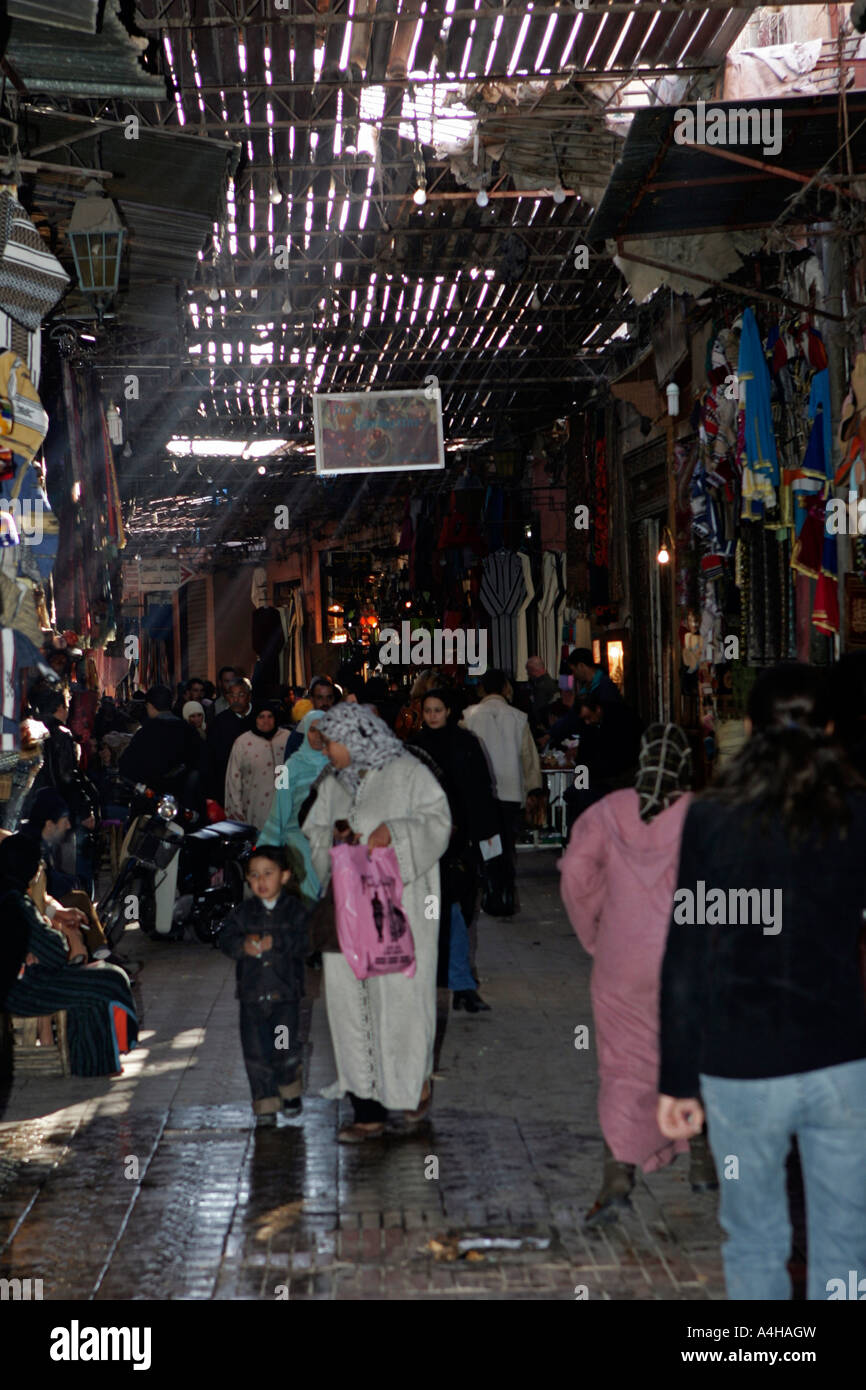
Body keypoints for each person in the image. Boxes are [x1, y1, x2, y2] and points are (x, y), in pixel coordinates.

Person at [658, 663, 866, 1302]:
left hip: (740, 1069)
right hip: (839, 1059)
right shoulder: (856, 814)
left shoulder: (712, 820)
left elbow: (688, 954)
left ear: (747, 728)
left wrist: (676, 1079)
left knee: (753, 1240)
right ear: (831, 728)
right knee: (847, 1241)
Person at [560, 724, 702, 1227]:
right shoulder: (702, 815)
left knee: (623, 1064)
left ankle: (617, 1176)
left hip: (621, 960)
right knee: (692, 1053)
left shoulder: (607, 811)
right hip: (689, 958)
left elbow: (576, 874)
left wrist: (595, 932)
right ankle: (704, 1157)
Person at [301, 702, 451, 1142]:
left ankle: (409, 1087)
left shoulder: (408, 772)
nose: (326, 751)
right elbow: (314, 829)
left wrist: (396, 833)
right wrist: (336, 840)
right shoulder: (333, 783)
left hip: (400, 911)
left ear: (356, 738)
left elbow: (438, 822)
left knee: (402, 1002)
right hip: (349, 914)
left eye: (331, 742)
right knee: (349, 1006)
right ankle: (366, 1108)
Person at [0, 836, 138, 1076]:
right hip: (21, 991)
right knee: (109, 979)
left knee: (99, 977)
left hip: (21, 981)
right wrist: (64, 935)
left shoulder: (9, 893)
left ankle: (94, 1061)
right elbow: (54, 953)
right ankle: (95, 1063)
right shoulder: (14, 901)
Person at [410, 689, 499, 1011]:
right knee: (429, 915)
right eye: (428, 710)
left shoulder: (466, 744)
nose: (433, 716)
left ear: (449, 710)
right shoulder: (413, 748)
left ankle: (460, 984)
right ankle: (445, 983)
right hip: (423, 846)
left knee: (457, 913)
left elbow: (480, 793)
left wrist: (487, 842)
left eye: (438, 709)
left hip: (459, 846)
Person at [219, 845, 310, 1127]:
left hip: (285, 997)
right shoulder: (243, 913)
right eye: (254, 875)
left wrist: (278, 943)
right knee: (256, 1053)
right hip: (252, 997)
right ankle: (265, 1105)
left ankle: (289, 1088)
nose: (261, 881)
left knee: (283, 1049)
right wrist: (242, 945)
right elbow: (225, 938)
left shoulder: (295, 911)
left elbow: (307, 942)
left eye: (268, 874)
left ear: (284, 876)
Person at [461, 667, 543, 913]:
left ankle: (491, 888)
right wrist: (533, 790)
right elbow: (529, 759)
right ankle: (506, 891)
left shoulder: (469, 716)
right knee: (507, 845)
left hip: (481, 794)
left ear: (482, 688)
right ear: (506, 687)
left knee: (488, 844)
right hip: (510, 792)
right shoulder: (519, 717)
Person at [259, 709, 329, 898]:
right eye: (312, 730)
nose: (317, 736)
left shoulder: (336, 762)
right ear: (305, 732)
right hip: (299, 841)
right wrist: (269, 847)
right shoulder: (289, 766)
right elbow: (278, 807)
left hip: (329, 840)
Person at [562, 693, 643, 831]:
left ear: (598, 709)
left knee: (585, 798)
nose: (587, 722)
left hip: (622, 776)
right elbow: (584, 754)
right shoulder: (589, 725)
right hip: (601, 775)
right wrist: (581, 780)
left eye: (588, 717)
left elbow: (619, 758)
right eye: (584, 719)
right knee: (577, 795)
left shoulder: (621, 721)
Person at [119, 684, 202, 809]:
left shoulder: (145, 733)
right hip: (185, 802)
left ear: (150, 706)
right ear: (172, 704)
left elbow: (127, 766)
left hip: (153, 803)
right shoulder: (189, 730)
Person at [223, 703, 290, 832]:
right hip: (255, 809)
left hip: (285, 808)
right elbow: (233, 779)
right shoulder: (243, 742)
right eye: (261, 717)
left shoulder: (286, 738)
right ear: (255, 719)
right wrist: (236, 809)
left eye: (270, 716)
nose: (266, 721)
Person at [205, 678, 255, 805]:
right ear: (227, 698)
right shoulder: (219, 723)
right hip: (229, 787)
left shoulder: (261, 718)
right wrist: (211, 796)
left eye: (241, 695)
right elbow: (211, 760)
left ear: (249, 697)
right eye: (231, 696)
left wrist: (282, 788)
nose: (236, 700)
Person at [525, 655, 560, 730]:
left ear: (533, 670)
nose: (528, 674)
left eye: (528, 671)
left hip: (545, 728)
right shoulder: (552, 682)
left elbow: (538, 711)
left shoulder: (540, 687)